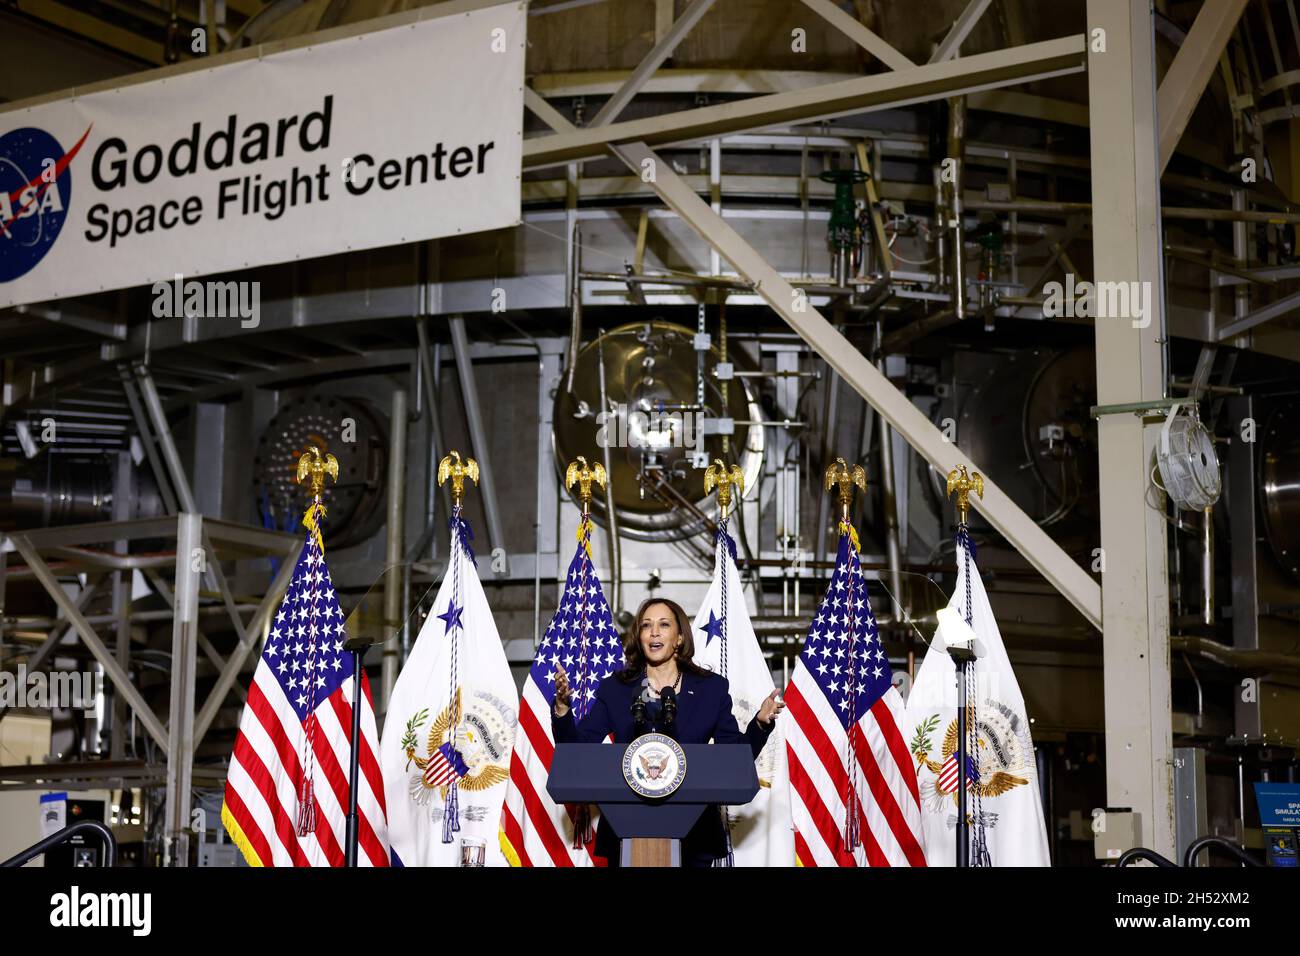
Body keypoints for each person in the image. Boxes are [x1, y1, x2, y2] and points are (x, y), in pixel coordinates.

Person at [552, 596, 784, 867]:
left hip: (695, 832)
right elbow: (577, 750)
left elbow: (733, 756)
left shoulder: (711, 689)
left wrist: (760, 723)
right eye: (646, 625)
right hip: (625, 827)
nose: (654, 632)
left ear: (679, 638)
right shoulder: (615, 689)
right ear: (639, 637)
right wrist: (562, 710)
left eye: (663, 625)